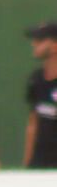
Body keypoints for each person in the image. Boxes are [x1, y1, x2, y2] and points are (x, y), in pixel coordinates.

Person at [23, 21, 57, 168]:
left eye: (41, 40)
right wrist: (27, 163)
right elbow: (33, 123)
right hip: (39, 165)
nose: (34, 44)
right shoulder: (36, 80)